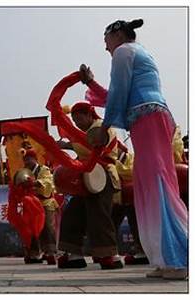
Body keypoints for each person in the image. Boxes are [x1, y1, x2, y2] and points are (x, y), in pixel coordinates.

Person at [81, 19, 188, 280]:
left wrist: (105, 127)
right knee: (149, 186)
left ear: (116, 34)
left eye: (105, 40)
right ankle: (165, 258)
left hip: (148, 118)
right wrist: (92, 84)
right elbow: (120, 93)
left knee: (158, 185)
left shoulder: (124, 52)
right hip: (148, 119)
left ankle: (179, 258)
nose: (105, 48)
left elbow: (118, 92)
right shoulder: (136, 53)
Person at [57, 102, 123, 270]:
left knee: (99, 216)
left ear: (89, 115)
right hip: (85, 176)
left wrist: (68, 144)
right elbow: (82, 142)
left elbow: (89, 143)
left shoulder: (100, 127)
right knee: (73, 212)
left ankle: (109, 255)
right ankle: (74, 254)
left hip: (102, 175)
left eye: (79, 119)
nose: (77, 123)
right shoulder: (85, 133)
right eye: (74, 120)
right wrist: (66, 145)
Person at [21, 148, 58, 265]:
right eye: (25, 160)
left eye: (29, 159)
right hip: (31, 203)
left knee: (47, 226)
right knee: (31, 229)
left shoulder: (43, 169)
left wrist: (35, 183)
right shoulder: (23, 172)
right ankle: (34, 253)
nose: (27, 162)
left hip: (45, 203)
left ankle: (50, 252)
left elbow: (48, 182)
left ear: (35, 159)